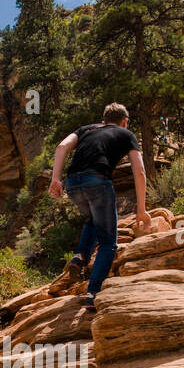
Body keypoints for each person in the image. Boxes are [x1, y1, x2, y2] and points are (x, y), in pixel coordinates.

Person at [48, 102, 152, 311]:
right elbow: (139, 171)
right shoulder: (125, 134)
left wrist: (55, 179)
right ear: (125, 121)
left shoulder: (86, 129)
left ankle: (80, 256)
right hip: (97, 181)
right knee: (107, 242)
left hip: (73, 183)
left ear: (103, 119)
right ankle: (93, 294)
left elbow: (61, 147)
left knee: (94, 220)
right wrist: (141, 210)